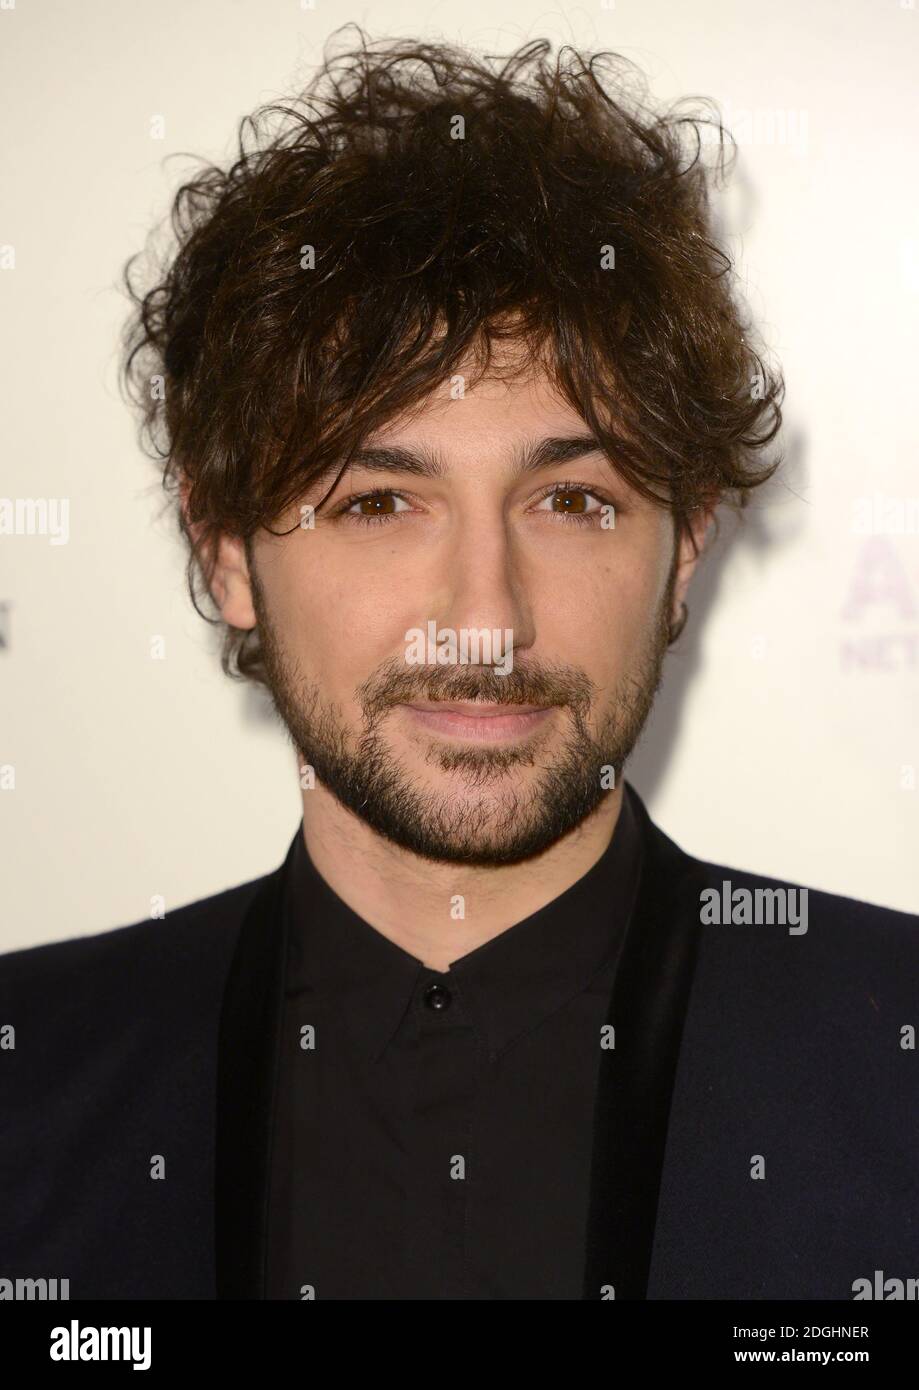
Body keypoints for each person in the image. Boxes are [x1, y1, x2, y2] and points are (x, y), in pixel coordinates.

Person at [2, 27, 916, 1302]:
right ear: (222, 554)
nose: (484, 618)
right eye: (379, 501)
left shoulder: (893, 1063)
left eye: (574, 501)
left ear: (688, 546)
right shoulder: (27, 1083)